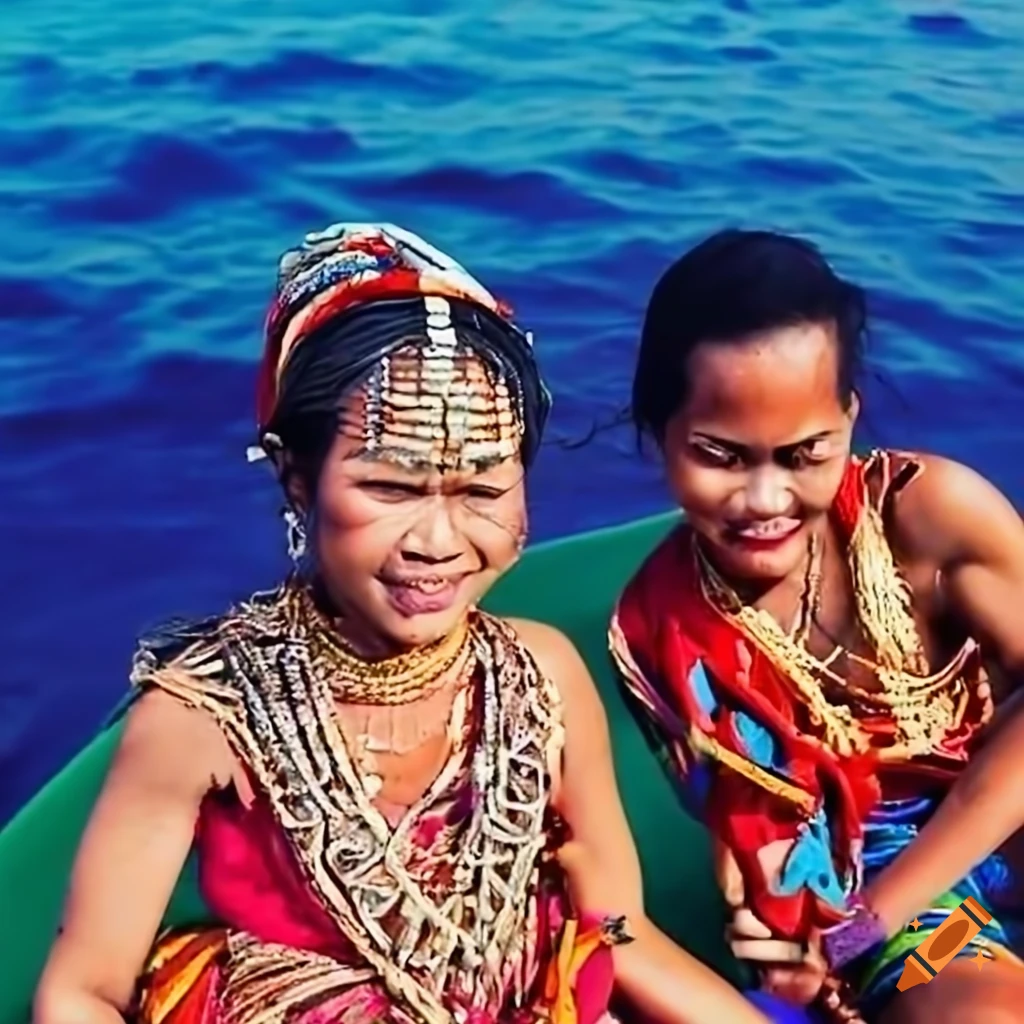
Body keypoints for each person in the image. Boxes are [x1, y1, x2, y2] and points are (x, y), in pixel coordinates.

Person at [33, 224, 777, 1024]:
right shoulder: (204, 717)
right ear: (295, 476)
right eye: (390, 489)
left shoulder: (544, 680)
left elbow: (619, 933)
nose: (438, 542)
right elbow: (83, 992)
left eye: (483, 492)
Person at [609, 229, 1024, 1024]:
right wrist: (814, 937)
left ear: (849, 420)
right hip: (863, 872)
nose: (766, 499)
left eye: (805, 455)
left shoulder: (932, 517)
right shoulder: (657, 631)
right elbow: (762, 849)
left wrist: (881, 914)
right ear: (659, 431)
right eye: (720, 456)